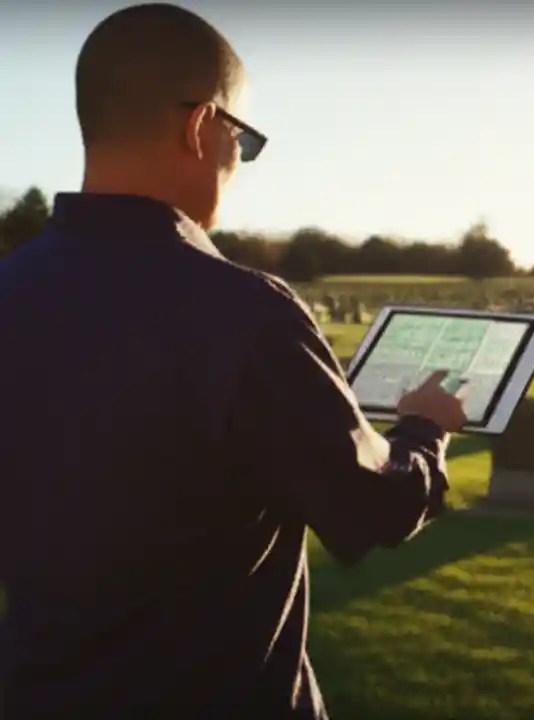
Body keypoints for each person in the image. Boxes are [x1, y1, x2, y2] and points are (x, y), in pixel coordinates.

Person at [0, 4, 465, 717]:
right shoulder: (246, 314)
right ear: (200, 126)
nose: (237, 164)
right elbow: (371, 507)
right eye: (240, 141)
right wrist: (424, 431)